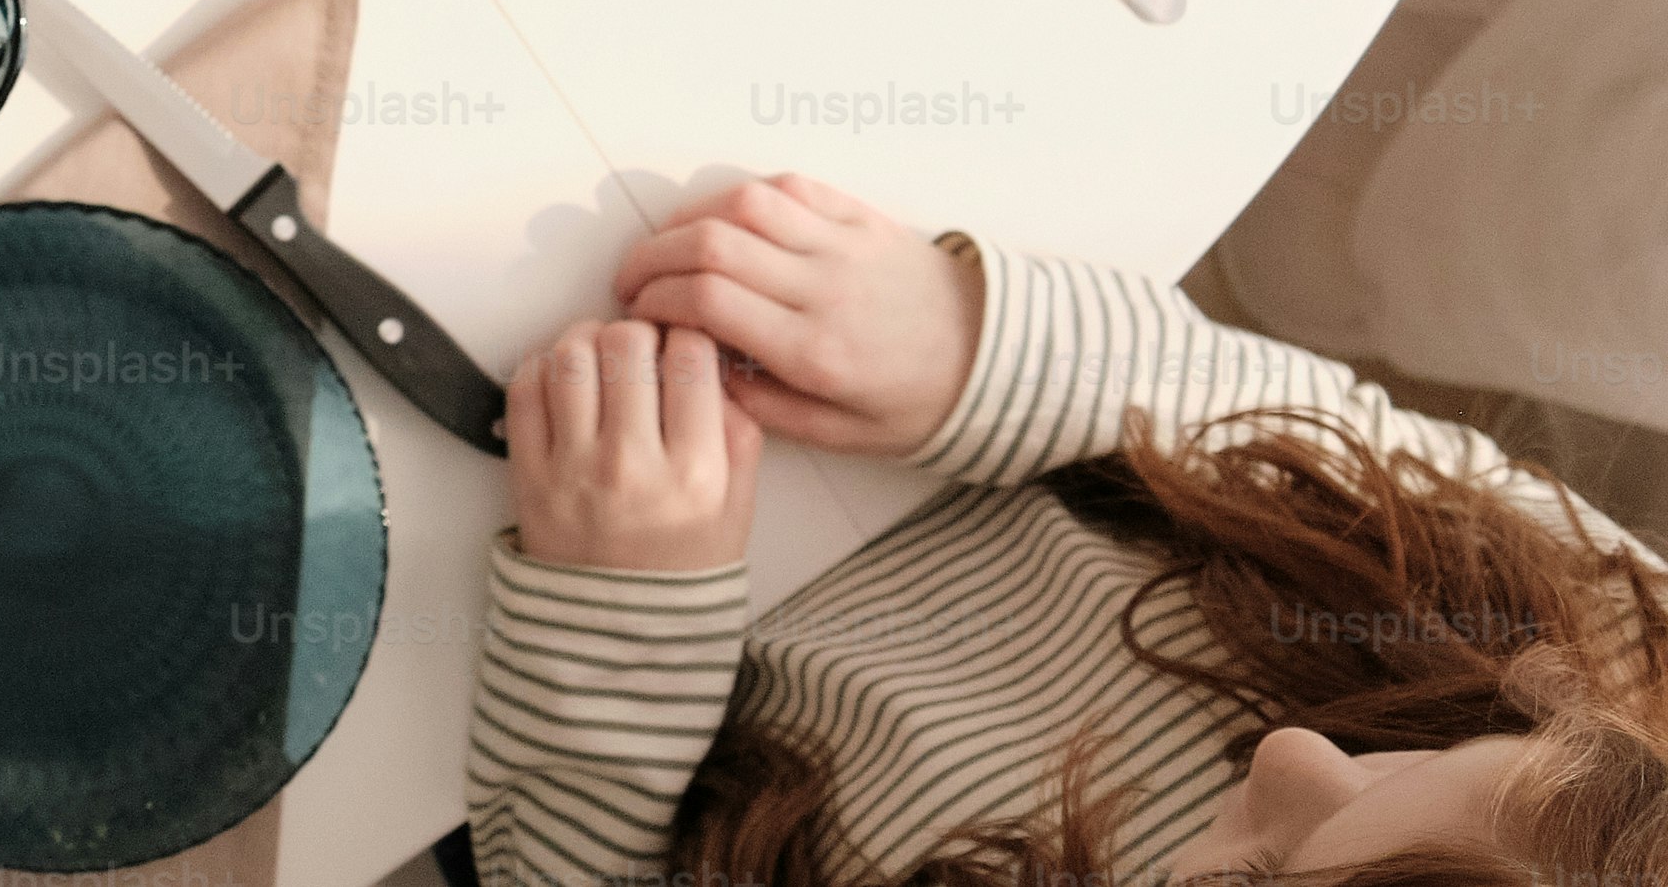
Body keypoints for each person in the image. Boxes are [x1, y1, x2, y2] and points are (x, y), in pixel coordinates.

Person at [478, 169, 1668, 887]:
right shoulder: (1636, 667)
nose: (1290, 754)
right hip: (929, 445)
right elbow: (1341, 445)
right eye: (1453, 754)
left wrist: (623, 616)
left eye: (1251, 875)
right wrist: (975, 349)